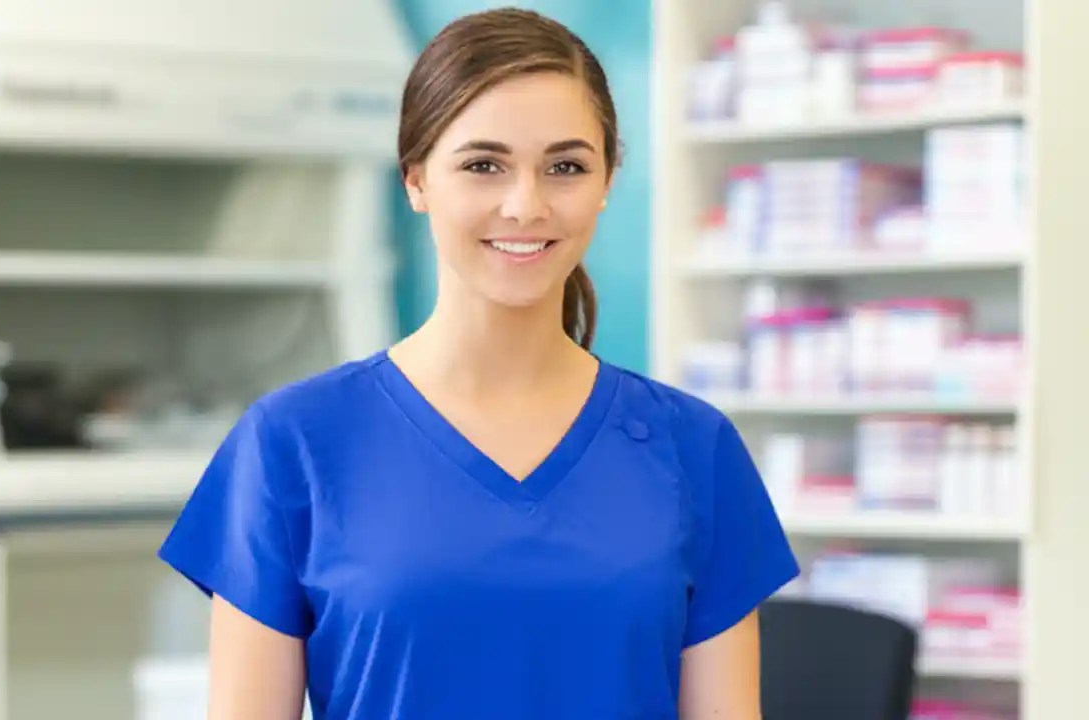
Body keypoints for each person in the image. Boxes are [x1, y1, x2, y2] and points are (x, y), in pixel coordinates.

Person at [158, 7, 798, 719]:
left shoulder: (693, 449)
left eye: (565, 166)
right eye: (483, 165)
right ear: (416, 180)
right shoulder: (292, 443)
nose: (525, 204)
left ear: (606, 180)